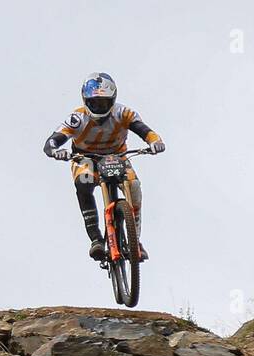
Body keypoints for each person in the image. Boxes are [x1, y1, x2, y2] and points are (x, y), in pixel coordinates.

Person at [43, 72, 165, 261]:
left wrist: (155, 141)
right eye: (94, 103)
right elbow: (52, 141)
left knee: (134, 187)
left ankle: (136, 241)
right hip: (85, 158)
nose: (99, 108)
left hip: (118, 156)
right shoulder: (77, 118)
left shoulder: (123, 113)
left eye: (104, 103)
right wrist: (55, 150)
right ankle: (96, 239)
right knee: (84, 183)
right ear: (85, 100)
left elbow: (145, 130)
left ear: (113, 100)